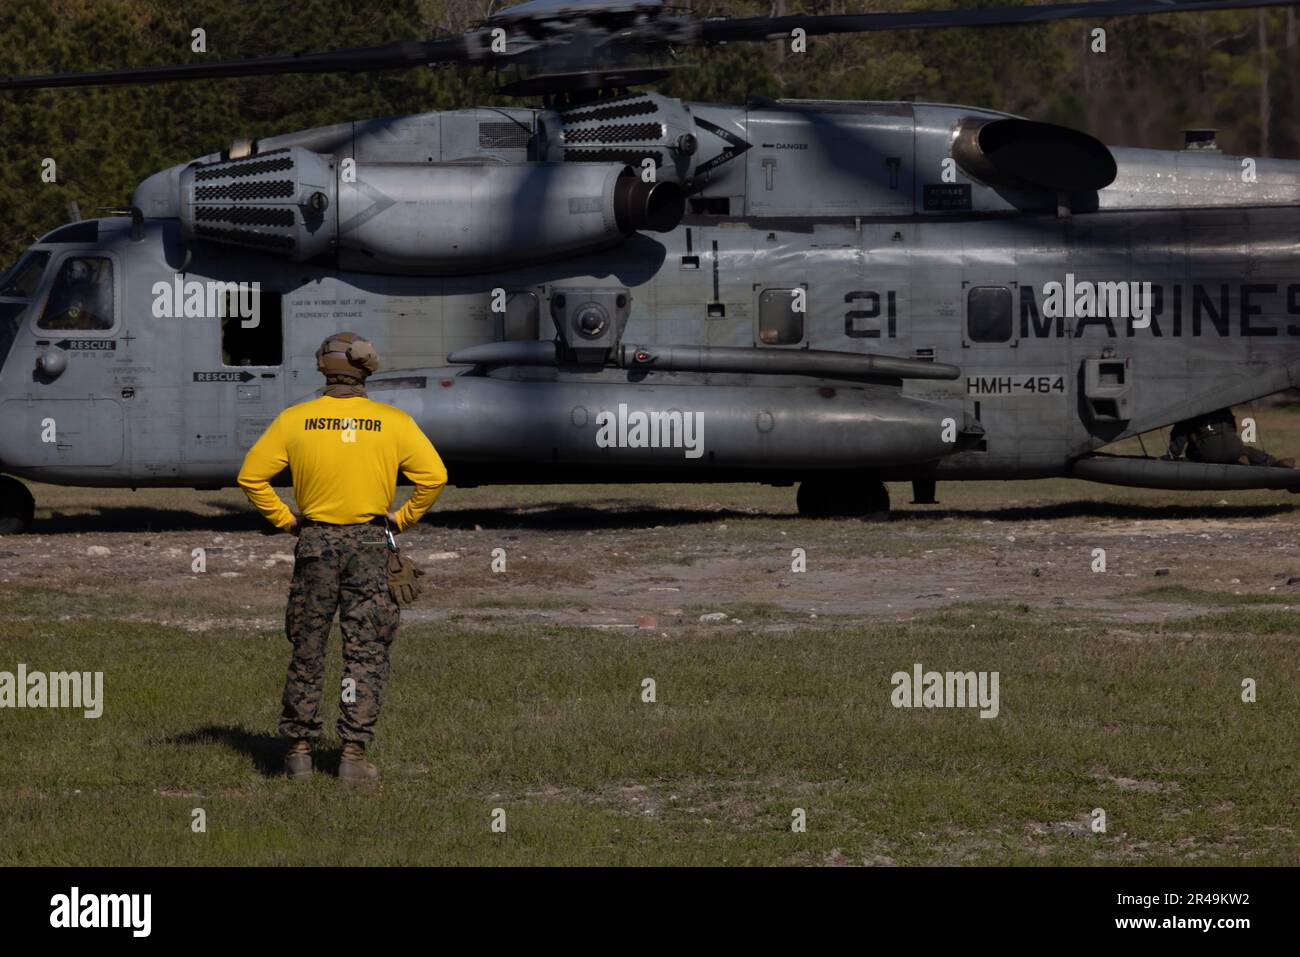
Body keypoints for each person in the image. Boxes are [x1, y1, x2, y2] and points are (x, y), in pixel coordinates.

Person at [237, 332, 447, 783]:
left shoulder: (295, 419)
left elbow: (252, 476)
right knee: (365, 651)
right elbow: (434, 476)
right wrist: (401, 520)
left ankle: (298, 752)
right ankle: (352, 754)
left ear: (324, 368)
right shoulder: (393, 421)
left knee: (308, 647)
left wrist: (286, 520)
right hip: (371, 546)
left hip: (314, 544)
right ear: (366, 369)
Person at [1164, 407, 1293, 467]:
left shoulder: (1190, 406)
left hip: (1208, 452)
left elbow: (1180, 434)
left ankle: (1235, 459)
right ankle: (1272, 462)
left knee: (1191, 453)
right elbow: (1233, 428)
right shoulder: (1223, 405)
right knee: (1247, 450)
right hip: (1234, 447)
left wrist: (1171, 455)